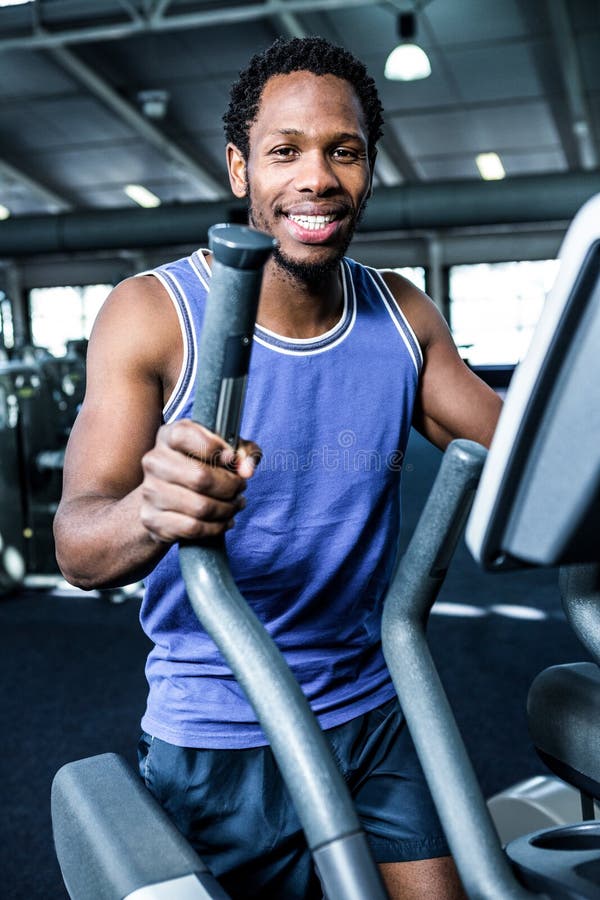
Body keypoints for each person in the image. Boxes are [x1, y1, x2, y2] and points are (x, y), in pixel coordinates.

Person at [54, 37, 502, 900]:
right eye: (284, 151)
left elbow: (529, 462)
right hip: (218, 730)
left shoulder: (402, 313)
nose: (317, 178)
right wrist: (152, 505)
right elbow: (78, 547)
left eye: (344, 150)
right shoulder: (152, 313)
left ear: (369, 167)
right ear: (239, 169)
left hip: (373, 710)